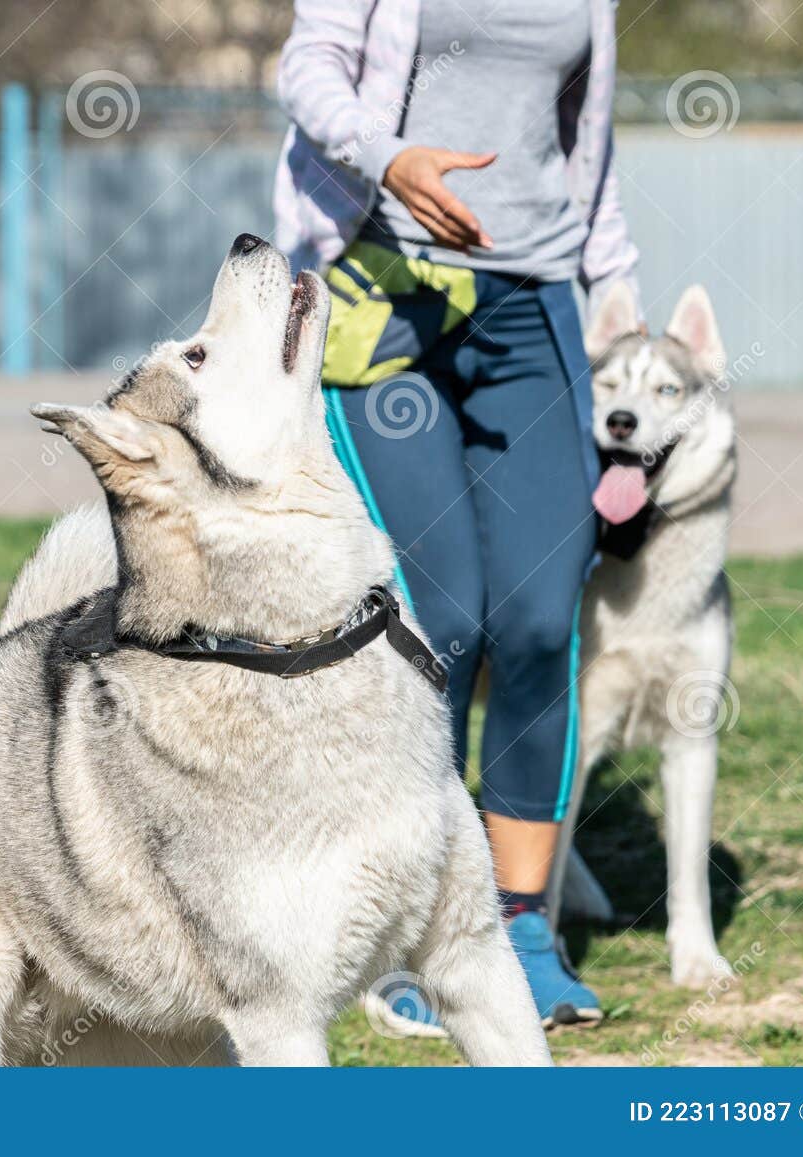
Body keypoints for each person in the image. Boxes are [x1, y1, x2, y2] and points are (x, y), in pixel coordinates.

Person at [273, 0, 641, 1030]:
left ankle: (519, 926)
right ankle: (400, 928)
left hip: (532, 300)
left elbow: (587, 144)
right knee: (439, 619)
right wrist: (388, 158)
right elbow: (308, 69)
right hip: (384, 294)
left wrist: (618, 291)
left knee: (539, 620)